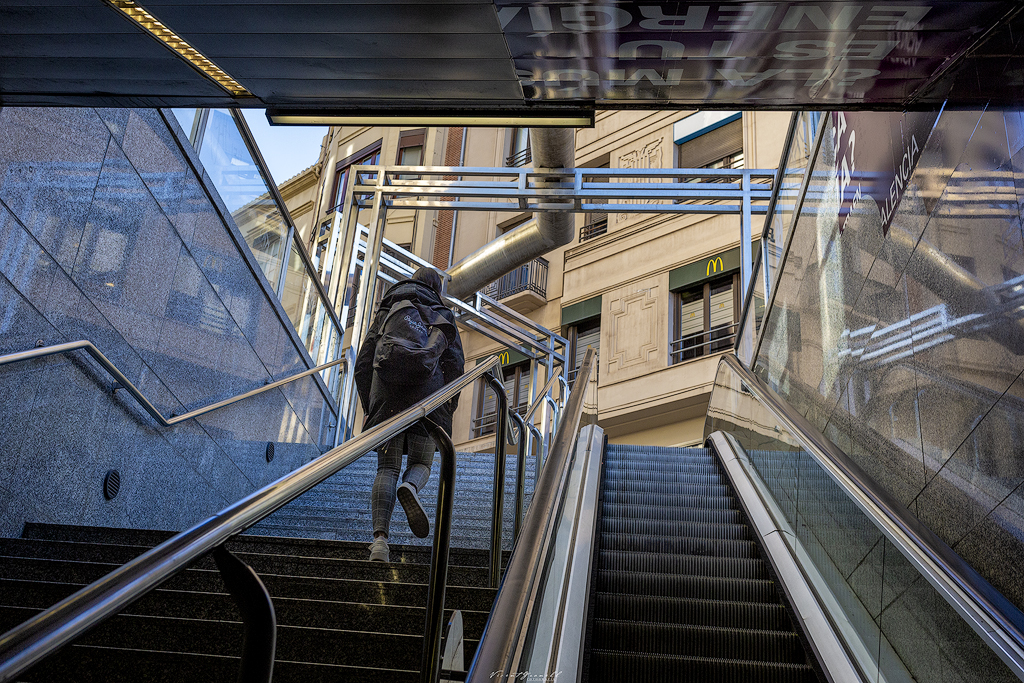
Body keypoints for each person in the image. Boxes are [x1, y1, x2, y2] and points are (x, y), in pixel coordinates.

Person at [354, 267, 465, 562]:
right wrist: (446, 411)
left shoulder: (390, 309)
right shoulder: (443, 316)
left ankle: (379, 543)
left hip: (388, 396)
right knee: (421, 463)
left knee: (386, 469)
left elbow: (364, 363)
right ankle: (411, 485)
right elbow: (455, 368)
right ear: (436, 289)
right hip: (427, 400)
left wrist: (371, 407)